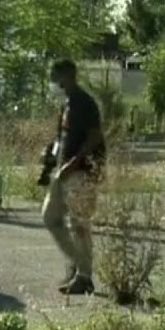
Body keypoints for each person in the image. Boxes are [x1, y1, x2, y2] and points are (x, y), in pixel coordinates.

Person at [42, 59, 106, 296]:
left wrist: (73, 163)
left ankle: (84, 277)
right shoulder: (66, 104)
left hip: (81, 171)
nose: (52, 82)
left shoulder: (83, 103)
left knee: (79, 224)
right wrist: (51, 154)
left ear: (66, 76)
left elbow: (94, 138)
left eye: (54, 76)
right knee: (50, 217)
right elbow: (63, 137)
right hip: (62, 171)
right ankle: (77, 263)